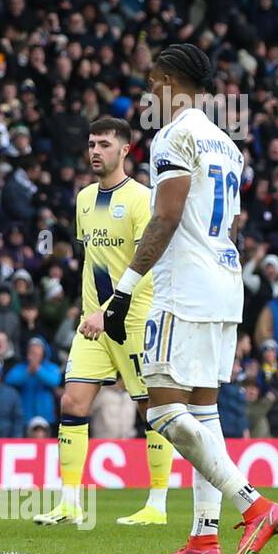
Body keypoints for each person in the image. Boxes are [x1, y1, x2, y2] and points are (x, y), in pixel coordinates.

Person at [100, 44, 278, 554]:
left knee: (162, 411)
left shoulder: (173, 135)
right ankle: (205, 537)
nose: (147, 91)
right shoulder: (229, 145)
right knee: (203, 411)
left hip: (182, 287)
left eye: (150, 81)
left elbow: (165, 217)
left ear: (165, 80)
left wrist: (124, 289)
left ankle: (253, 506)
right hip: (225, 281)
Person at [40, 117, 177, 529]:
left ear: (125, 151)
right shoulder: (83, 199)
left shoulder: (142, 199)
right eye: (91, 143)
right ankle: (70, 503)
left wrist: (110, 310)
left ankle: (157, 503)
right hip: (92, 322)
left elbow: (143, 265)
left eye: (104, 144)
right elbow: (93, 260)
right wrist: (91, 310)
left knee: (151, 409)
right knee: (72, 402)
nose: (95, 151)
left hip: (133, 320)